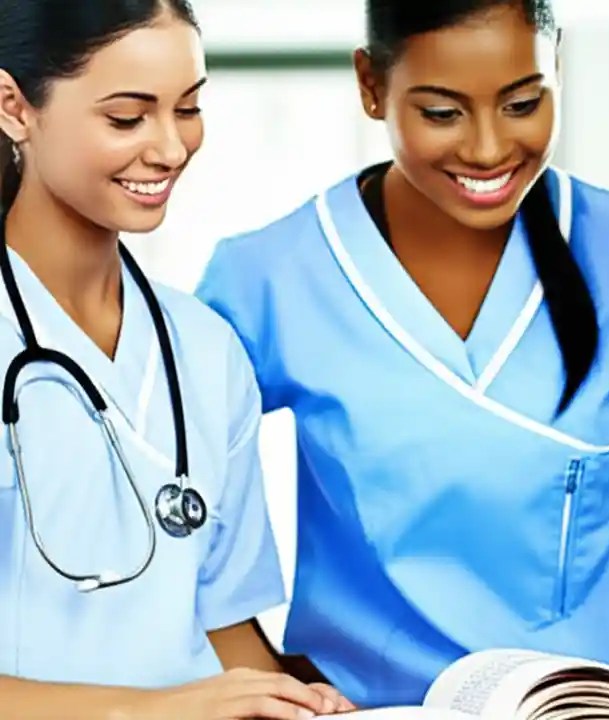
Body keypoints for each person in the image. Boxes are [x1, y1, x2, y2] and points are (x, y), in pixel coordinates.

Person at [196, 0, 609, 709]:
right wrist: (267, 684)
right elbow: (174, 510)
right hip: (372, 710)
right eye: (441, 113)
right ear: (371, 87)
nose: (489, 149)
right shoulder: (268, 277)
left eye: (523, 103)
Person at [0, 1, 353, 718]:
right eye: (127, 118)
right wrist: (152, 709)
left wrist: (294, 702)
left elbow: (225, 624)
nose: (170, 147)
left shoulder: (204, 348)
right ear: (13, 107)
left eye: (187, 108)